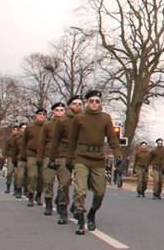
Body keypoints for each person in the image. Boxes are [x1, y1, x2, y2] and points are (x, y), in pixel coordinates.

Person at [65, 90, 121, 235]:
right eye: (91, 101)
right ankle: (80, 220)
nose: (94, 104)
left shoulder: (105, 118)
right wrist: (69, 159)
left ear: (100, 103)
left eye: (97, 101)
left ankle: (92, 213)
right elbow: (72, 141)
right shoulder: (79, 118)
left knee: (100, 192)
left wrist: (117, 154)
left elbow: (112, 138)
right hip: (81, 158)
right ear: (87, 103)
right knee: (80, 191)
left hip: (98, 159)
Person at [48, 95, 82, 225]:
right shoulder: (62, 121)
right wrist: (52, 159)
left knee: (81, 185)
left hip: (80, 154)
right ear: (69, 105)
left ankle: (77, 205)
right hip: (64, 154)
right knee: (64, 183)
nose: (77, 106)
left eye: (79, 104)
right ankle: (63, 209)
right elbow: (55, 141)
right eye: (74, 103)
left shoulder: (85, 119)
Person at [41, 102, 66, 216]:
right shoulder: (48, 124)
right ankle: (48, 204)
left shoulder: (69, 123)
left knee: (64, 183)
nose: (59, 112)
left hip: (63, 155)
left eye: (62, 110)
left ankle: (61, 201)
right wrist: (40, 157)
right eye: (57, 110)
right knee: (48, 181)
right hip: (49, 155)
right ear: (53, 111)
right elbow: (42, 141)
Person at [23, 109, 48, 207]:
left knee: (42, 177)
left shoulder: (48, 126)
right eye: (40, 114)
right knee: (32, 175)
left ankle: (39, 195)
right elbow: (24, 141)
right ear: (36, 115)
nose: (42, 116)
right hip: (31, 154)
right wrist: (23, 155)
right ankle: (30, 195)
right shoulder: (30, 127)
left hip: (44, 154)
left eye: (44, 114)